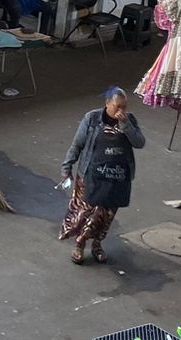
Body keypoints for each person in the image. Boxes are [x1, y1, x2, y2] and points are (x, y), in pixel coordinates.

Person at [60, 86, 145, 265]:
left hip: (117, 178)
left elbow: (139, 143)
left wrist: (126, 126)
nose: (121, 111)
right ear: (107, 104)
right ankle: (80, 243)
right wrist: (66, 168)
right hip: (92, 175)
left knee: (106, 216)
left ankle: (97, 244)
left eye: (124, 107)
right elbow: (77, 145)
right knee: (85, 212)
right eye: (117, 107)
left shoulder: (129, 121)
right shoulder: (91, 119)